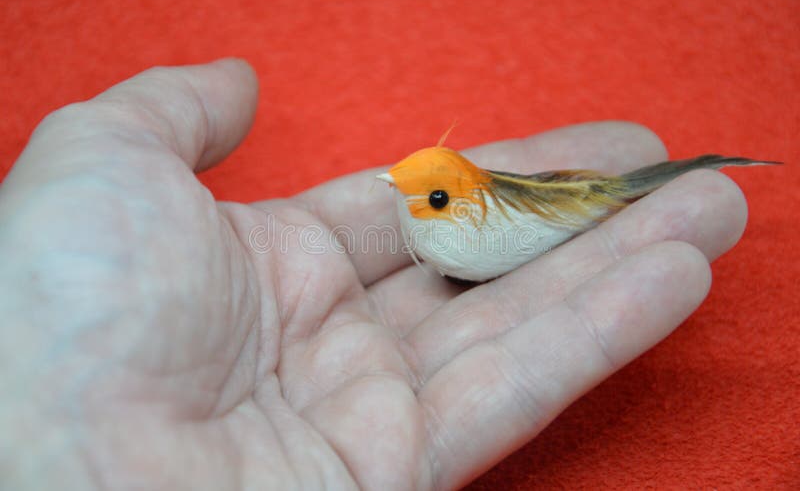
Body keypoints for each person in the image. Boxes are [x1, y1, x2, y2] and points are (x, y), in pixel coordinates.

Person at [0, 59, 748, 490]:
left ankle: (694, 170)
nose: (407, 205)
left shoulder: (476, 236)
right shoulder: (434, 224)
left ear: (451, 199)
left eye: (425, 198)